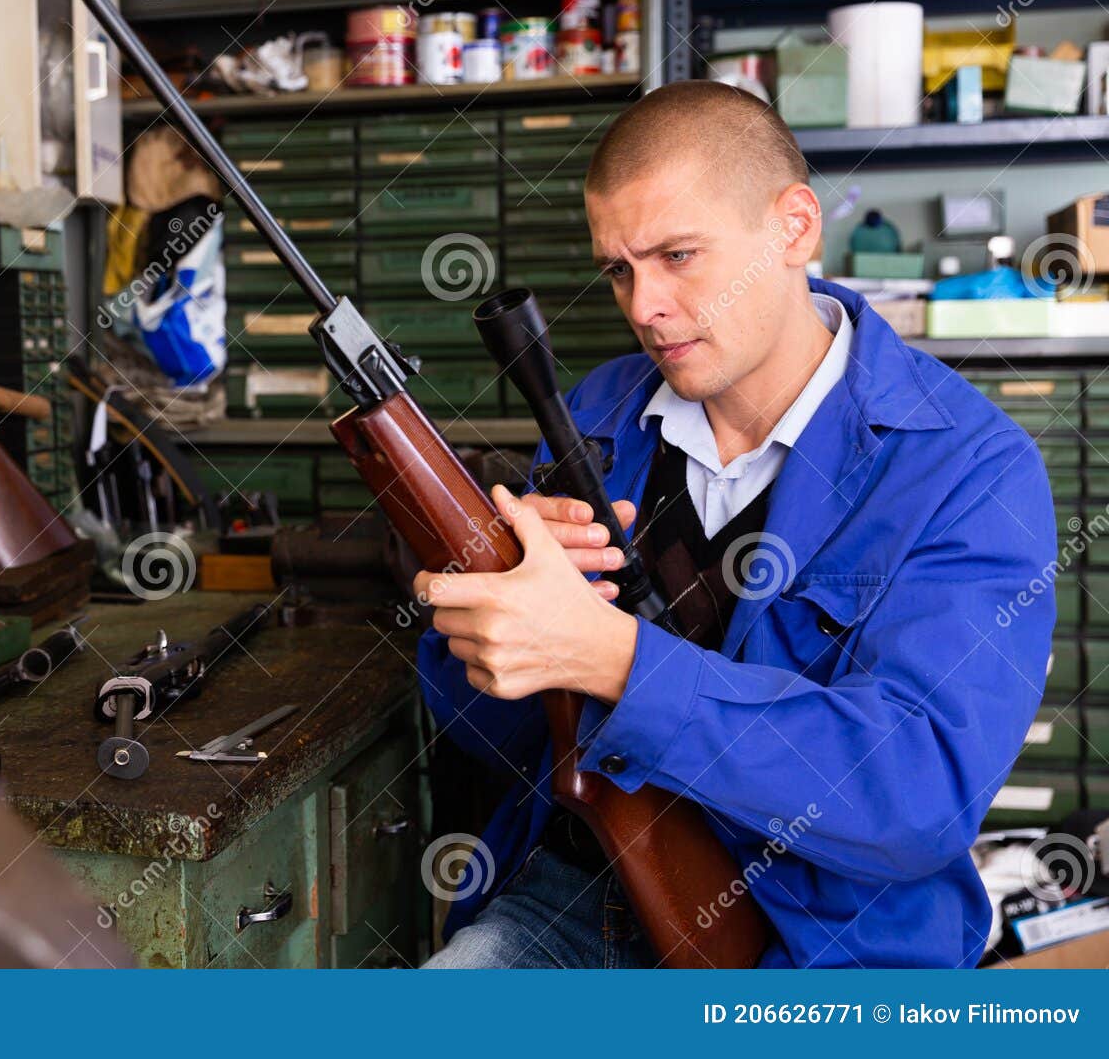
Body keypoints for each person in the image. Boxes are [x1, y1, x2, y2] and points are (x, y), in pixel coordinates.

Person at [417, 81, 1055, 969]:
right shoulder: (599, 413)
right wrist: (483, 622)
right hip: (590, 887)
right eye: (621, 269)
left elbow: (917, 791)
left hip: (828, 944)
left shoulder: (970, 469)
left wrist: (614, 658)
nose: (644, 307)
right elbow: (495, 738)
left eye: (679, 255)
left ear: (794, 228)